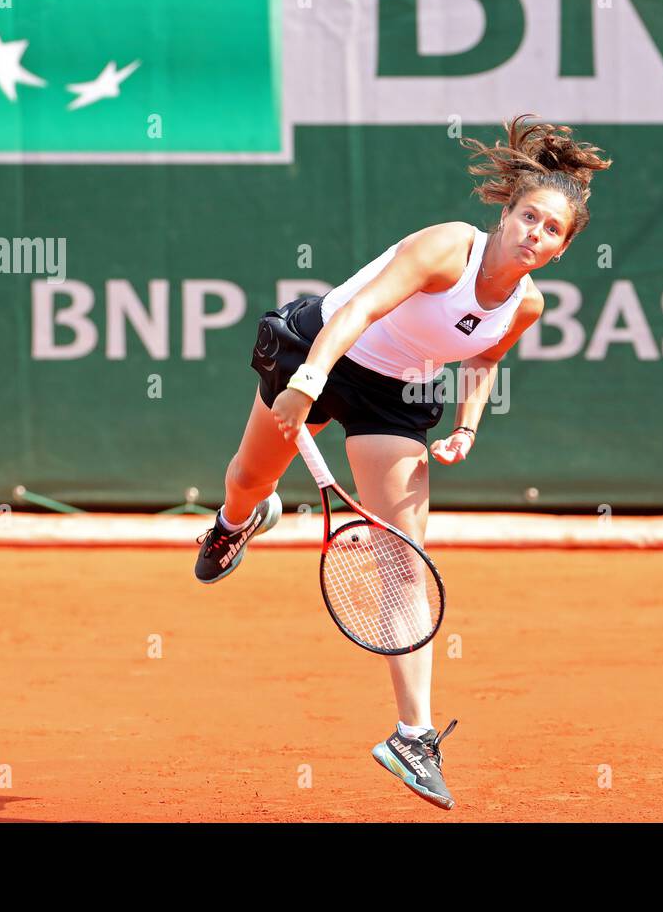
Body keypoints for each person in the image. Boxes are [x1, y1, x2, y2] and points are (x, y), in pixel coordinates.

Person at [193, 114, 612, 808]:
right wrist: (307, 382)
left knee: (403, 558)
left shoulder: (526, 304)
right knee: (248, 477)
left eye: (551, 230)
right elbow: (356, 310)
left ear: (563, 249)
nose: (534, 234)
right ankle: (240, 520)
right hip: (323, 347)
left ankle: (412, 736)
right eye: (528, 218)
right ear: (505, 215)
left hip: (398, 395)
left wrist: (467, 427)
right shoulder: (451, 247)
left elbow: (481, 359)